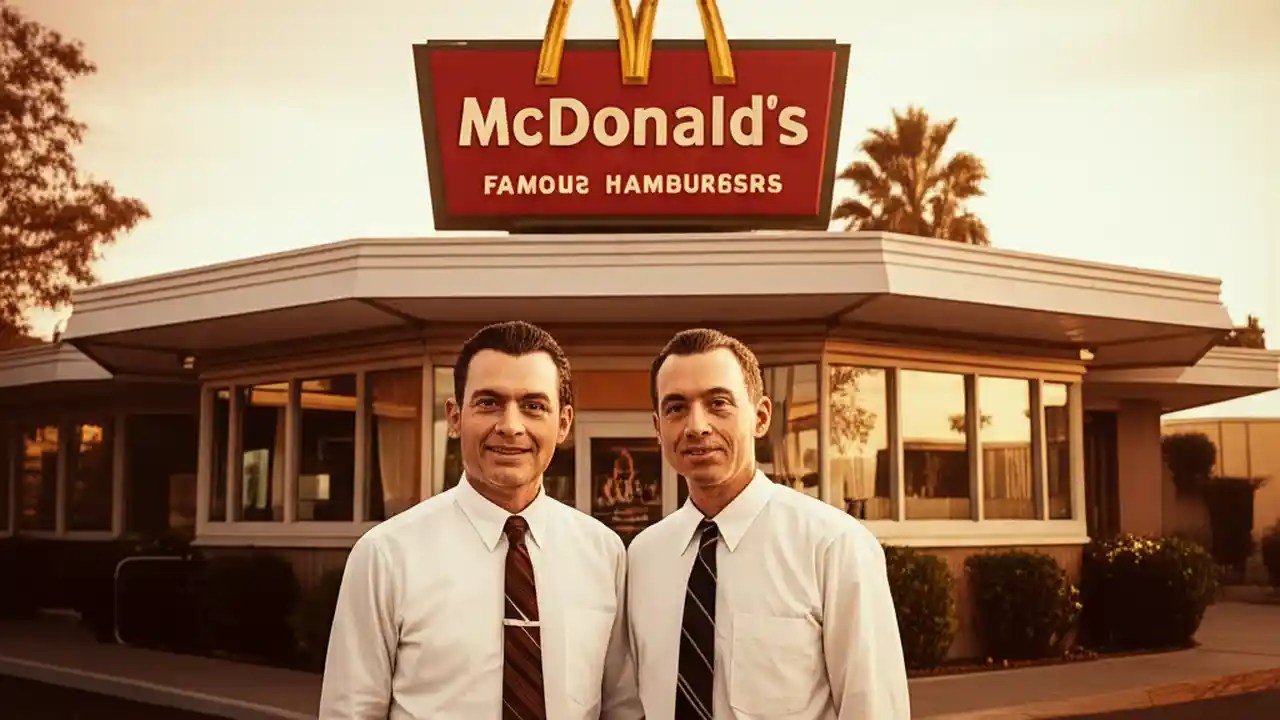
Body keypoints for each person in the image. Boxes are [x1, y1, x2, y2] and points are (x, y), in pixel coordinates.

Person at [319, 320, 643, 720]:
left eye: (534, 406)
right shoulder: (386, 555)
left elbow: (622, 708)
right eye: (489, 402)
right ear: (455, 417)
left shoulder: (604, 553)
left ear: (563, 423)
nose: (510, 426)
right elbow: (349, 712)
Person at [627, 328, 911, 719]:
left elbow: (875, 709)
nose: (697, 426)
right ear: (659, 427)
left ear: (760, 417)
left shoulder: (834, 545)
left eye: (718, 403)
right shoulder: (644, 556)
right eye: (676, 407)